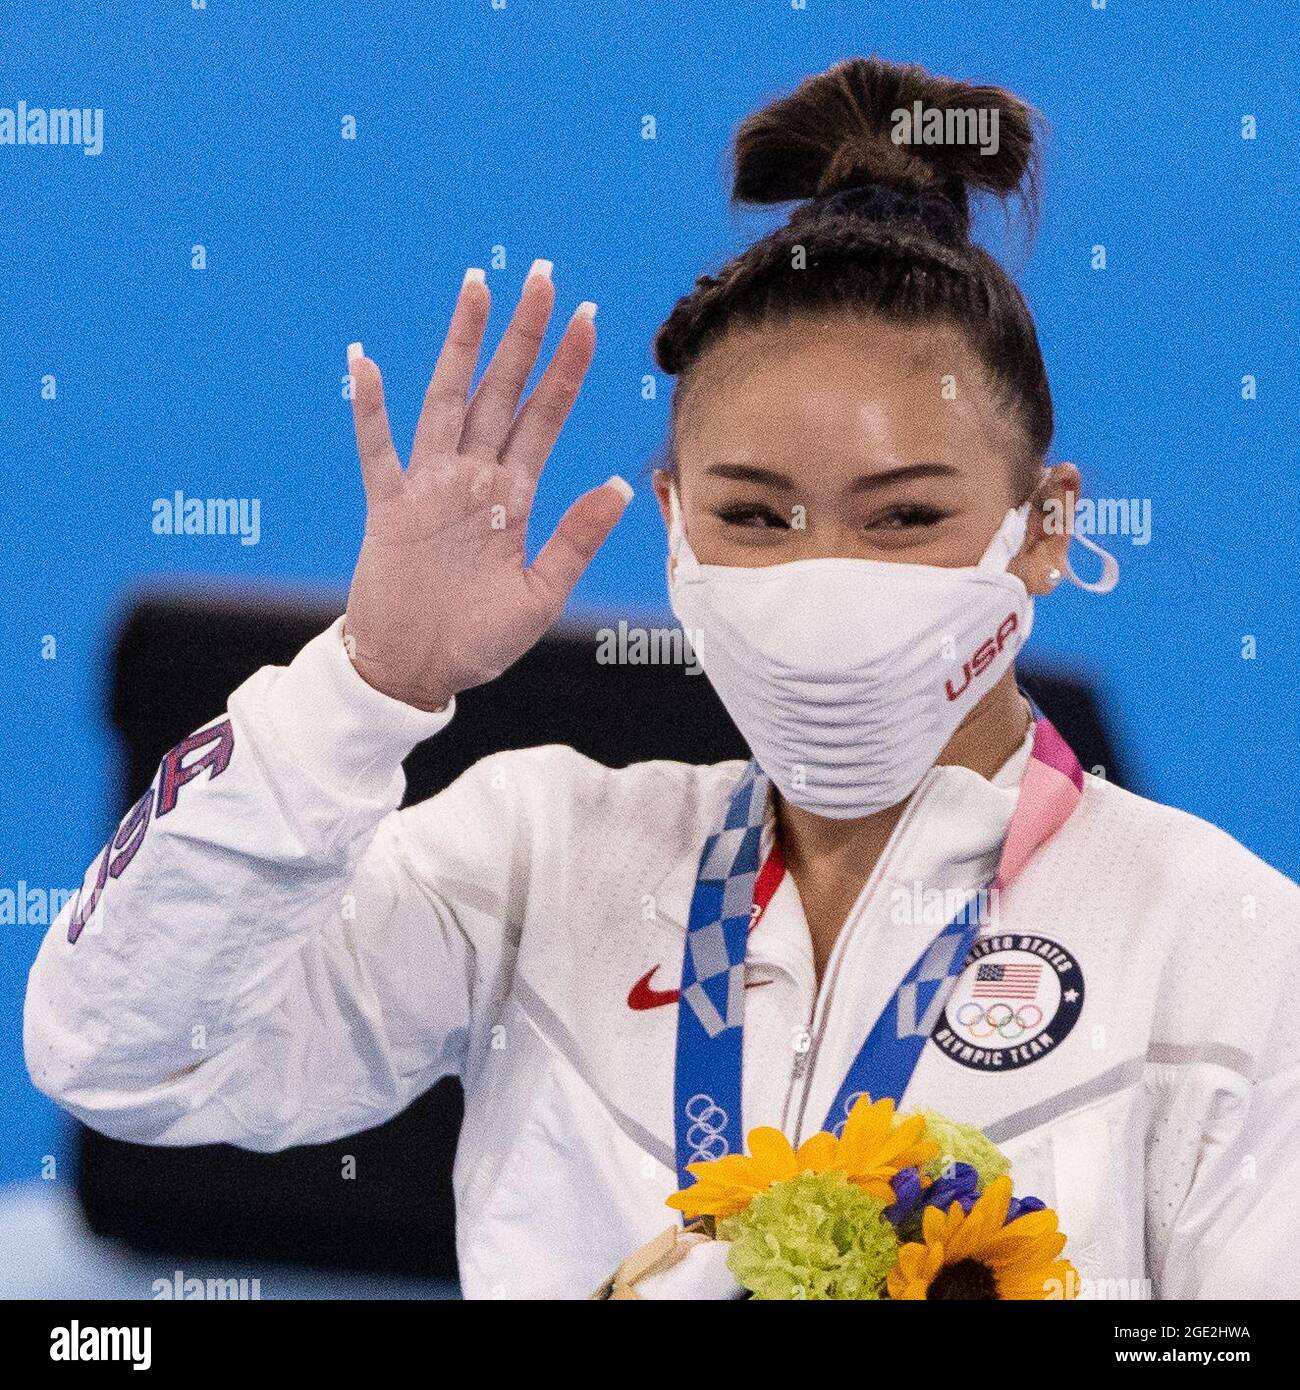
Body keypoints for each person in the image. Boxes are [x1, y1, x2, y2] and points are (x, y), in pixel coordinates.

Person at [25, 57, 1300, 1301]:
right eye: (756, 516)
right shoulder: (540, 854)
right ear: (675, 522)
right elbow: (122, 1055)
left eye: (904, 517)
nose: (828, 580)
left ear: (1043, 527)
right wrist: (363, 692)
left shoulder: (1224, 949)